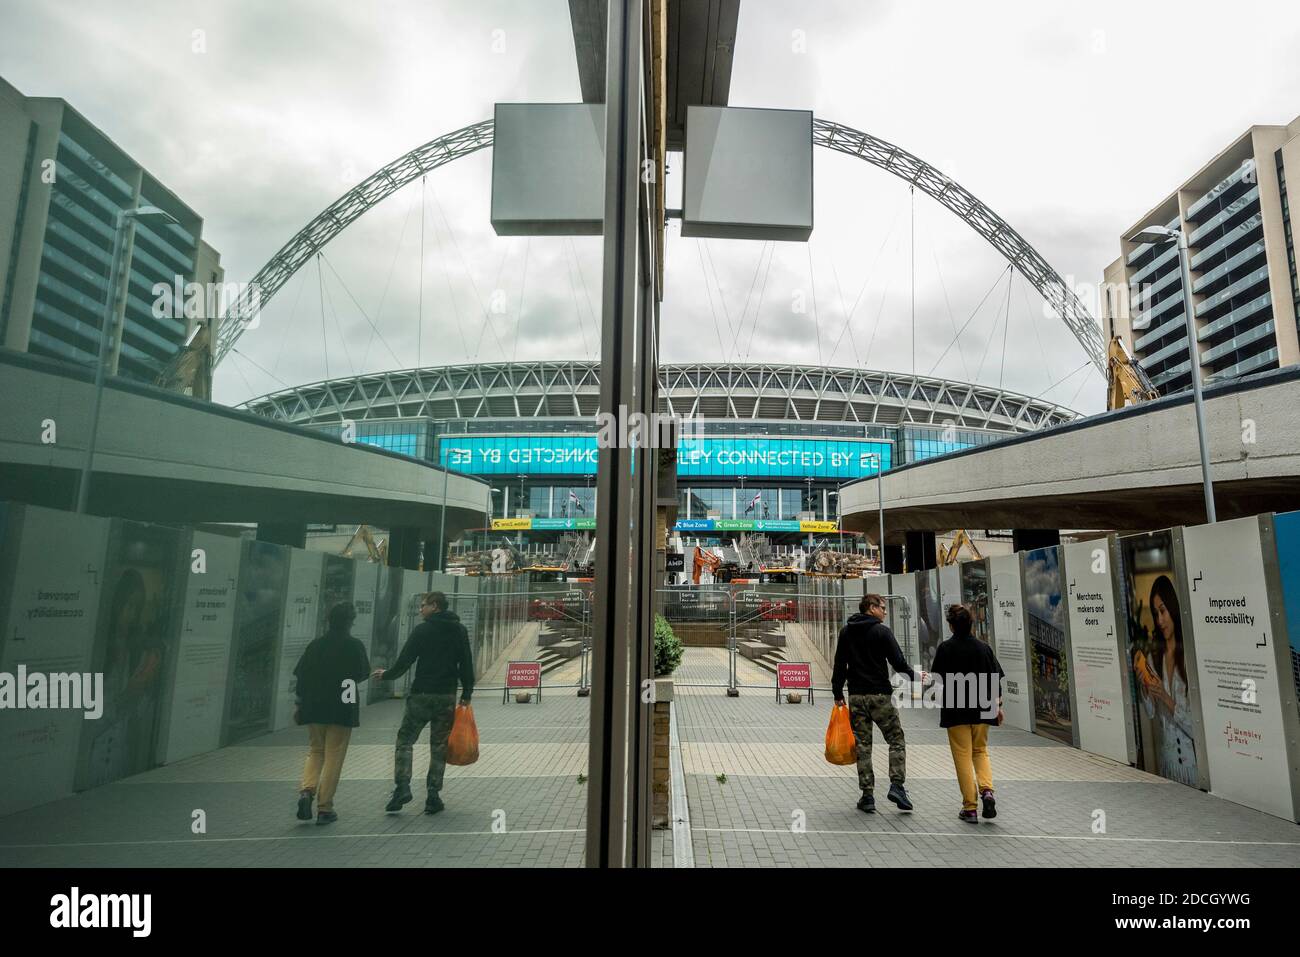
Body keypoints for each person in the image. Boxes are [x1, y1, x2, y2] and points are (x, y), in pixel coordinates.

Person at [373, 591, 475, 815]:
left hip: (421, 695)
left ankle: (402, 787)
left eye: (423, 606)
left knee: (405, 740)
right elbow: (466, 663)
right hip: (446, 697)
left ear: (435, 606)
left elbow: (405, 660)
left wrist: (387, 675)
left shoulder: (422, 630)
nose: (420, 610)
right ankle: (433, 795)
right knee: (438, 747)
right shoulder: (459, 631)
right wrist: (467, 692)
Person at [832, 593, 917, 813]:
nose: (885, 612)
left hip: (857, 697)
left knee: (863, 746)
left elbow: (840, 663)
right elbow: (897, 661)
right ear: (870, 608)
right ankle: (897, 786)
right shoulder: (882, 632)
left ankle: (867, 796)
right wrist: (915, 676)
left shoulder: (846, 632)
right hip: (880, 696)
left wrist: (837, 692)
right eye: (882, 607)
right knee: (896, 739)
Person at [294, 601, 371, 825]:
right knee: (333, 757)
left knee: (316, 750)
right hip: (342, 706)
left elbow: (301, 675)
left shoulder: (316, 645)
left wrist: (300, 703)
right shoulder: (354, 645)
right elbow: (362, 672)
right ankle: (325, 808)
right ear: (350, 621)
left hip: (314, 706)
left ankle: (307, 790)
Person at [929, 603, 1004, 823]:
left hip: (956, 710)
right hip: (983, 707)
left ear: (951, 626)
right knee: (980, 751)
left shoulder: (945, 648)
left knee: (962, 756)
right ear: (971, 624)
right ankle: (987, 790)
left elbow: (937, 680)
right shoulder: (984, 648)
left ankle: (970, 808)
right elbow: (995, 678)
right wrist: (998, 705)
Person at [1137, 575, 1198, 786]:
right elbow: (1152, 712)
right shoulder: (1156, 658)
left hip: (1193, 771)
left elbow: (1196, 728)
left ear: (1172, 608)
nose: (1160, 621)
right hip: (1167, 767)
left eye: (1163, 611)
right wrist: (1146, 689)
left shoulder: (1190, 656)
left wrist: (1165, 696)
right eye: (1156, 614)